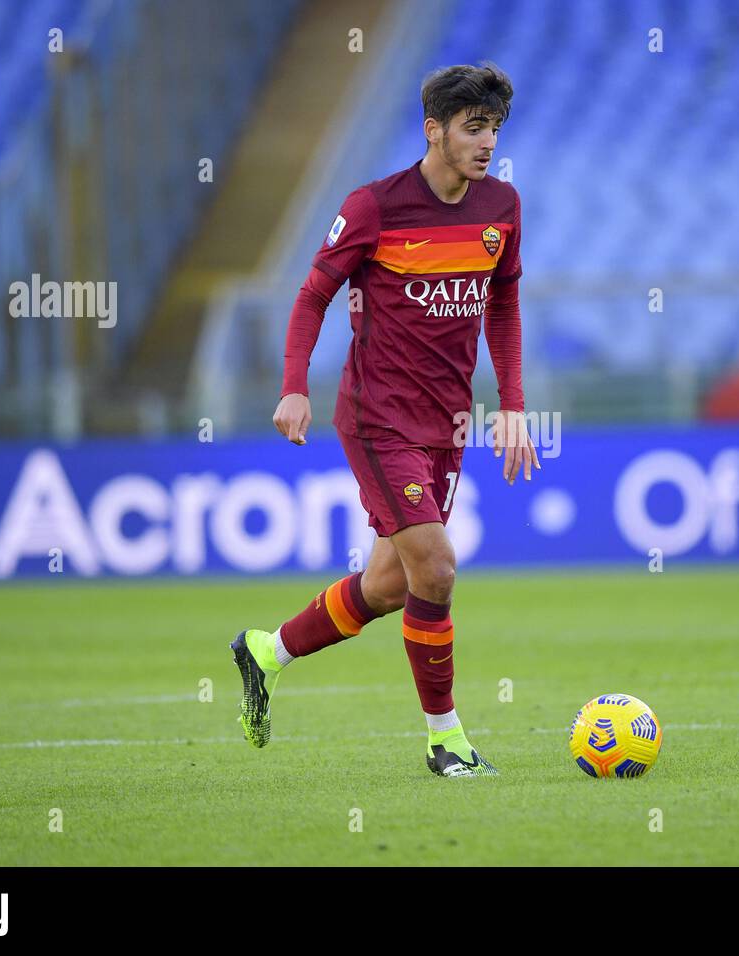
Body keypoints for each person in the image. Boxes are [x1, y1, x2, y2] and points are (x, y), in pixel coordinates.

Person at [229, 62, 539, 778]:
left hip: (448, 425)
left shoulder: (502, 207)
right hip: (378, 418)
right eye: (473, 128)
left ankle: (267, 651)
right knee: (438, 567)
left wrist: (513, 407)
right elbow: (312, 296)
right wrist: (294, 387)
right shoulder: (374, 207)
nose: (487, 142)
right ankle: (445, 740)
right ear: (434, 130)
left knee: (392, 586)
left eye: (494, 128)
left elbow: (504, 305)